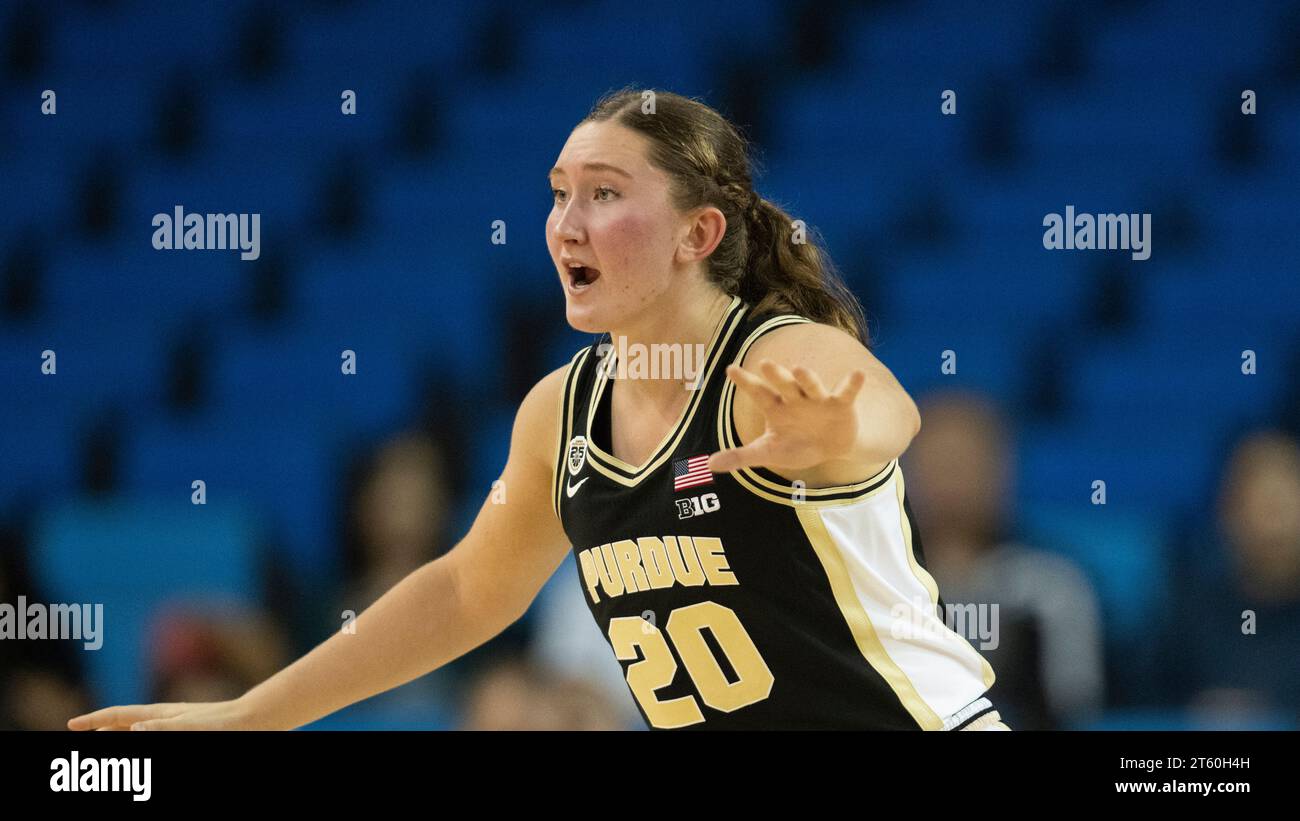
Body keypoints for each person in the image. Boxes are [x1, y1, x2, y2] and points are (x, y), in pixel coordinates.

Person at [68, 88, 1004, 731]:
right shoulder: (562, 408)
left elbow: (884, 410)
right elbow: (468, 588)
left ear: (699, 232)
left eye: (604, 195)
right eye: (559, 195)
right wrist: (254, 712)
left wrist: (836, 433)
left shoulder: (771, 356)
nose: (566, 224)